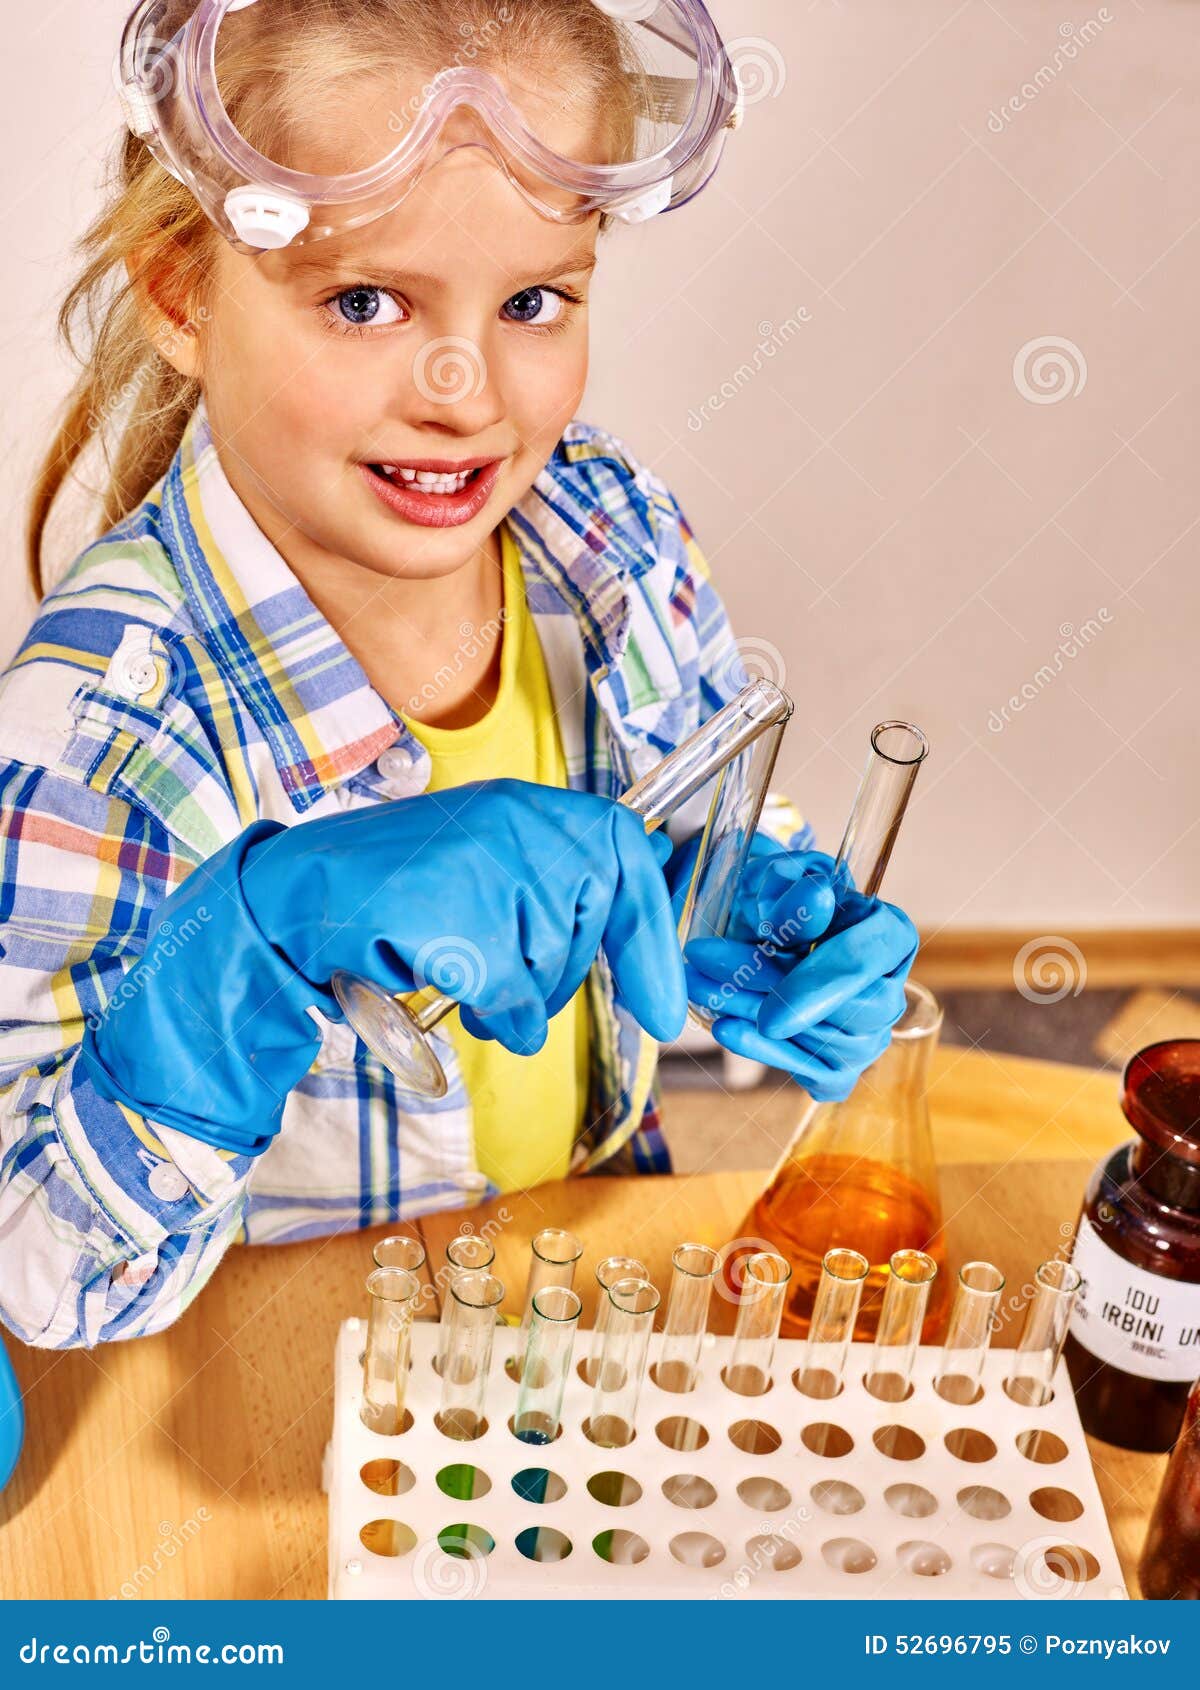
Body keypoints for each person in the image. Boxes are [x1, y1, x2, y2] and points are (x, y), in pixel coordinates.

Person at [0, 0, 916, 1349]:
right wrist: (245, 953)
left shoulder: (608, 530)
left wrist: (736, 913)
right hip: (291, 1355)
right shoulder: (102, 720)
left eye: (534, 299)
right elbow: (36, 1268)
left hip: (583, 1259)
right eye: (365, 300)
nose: (464, 390)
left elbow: (689, 830)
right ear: (184, 292)